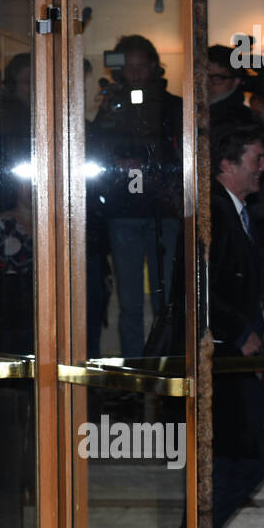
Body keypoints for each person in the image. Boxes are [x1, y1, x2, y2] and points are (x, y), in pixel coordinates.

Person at [155, 122, 264, 528]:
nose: (262, 166)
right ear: (228, 164)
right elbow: (195, 290)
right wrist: (241, 329)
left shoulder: (234, 211)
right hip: (216, 359)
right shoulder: (211, 216)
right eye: (255, 158)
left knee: (234, 465)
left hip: (229, 360)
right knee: (241, 465)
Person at [87, 34, 183, 358]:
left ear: (154, 66)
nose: (136, 74)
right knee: (130, 303)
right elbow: (96, 148)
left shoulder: (172, 106)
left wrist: (152, 166)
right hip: (124, 208)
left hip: (162, 209)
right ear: (121, 70)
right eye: (130, 68)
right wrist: (118, 164)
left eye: (142, 67)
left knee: (165, 299)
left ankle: (165, 370)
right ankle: (134, 374)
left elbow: (186, 155)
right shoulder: (112, 105)